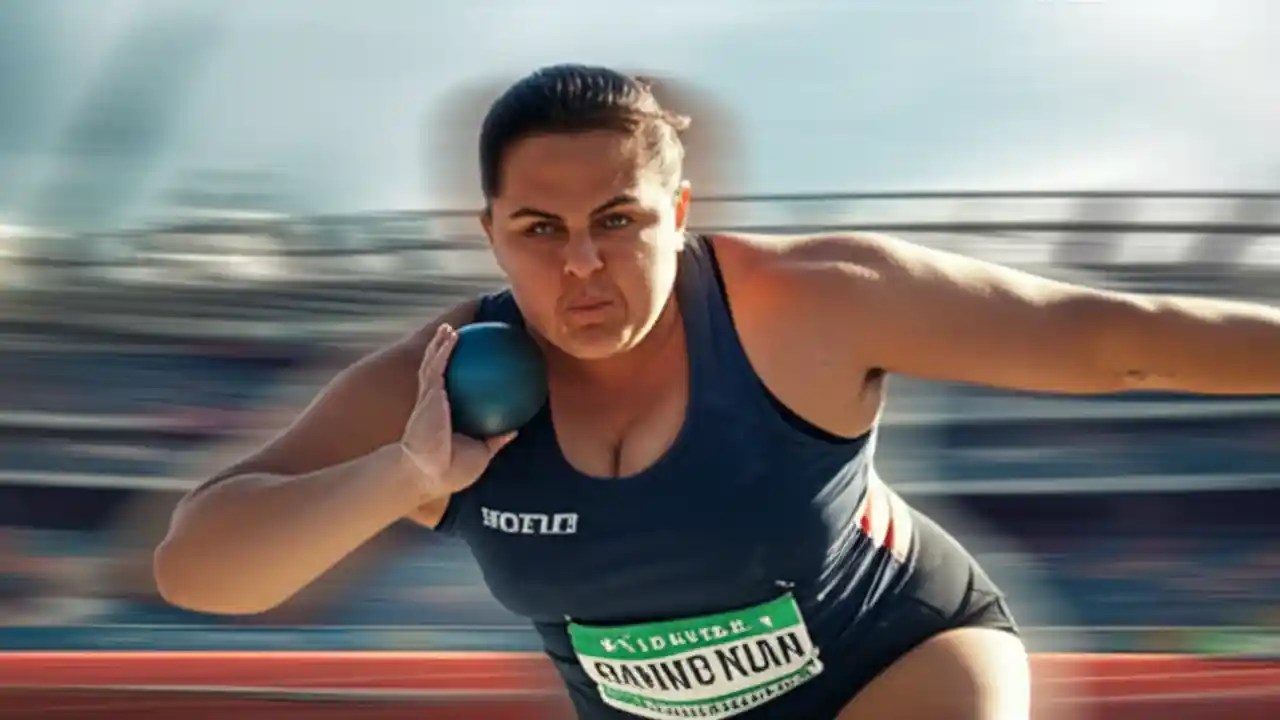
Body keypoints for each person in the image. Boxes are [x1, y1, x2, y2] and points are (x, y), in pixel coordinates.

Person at [153, 65, 1280, 720]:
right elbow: (199, 568)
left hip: (900, 663)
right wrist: (403, 476)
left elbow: (1111, 341)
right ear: (486, 232)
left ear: (679, 213)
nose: (582, 267)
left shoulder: (809, 304)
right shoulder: (435, 381)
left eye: (619, 222)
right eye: (539, 231)